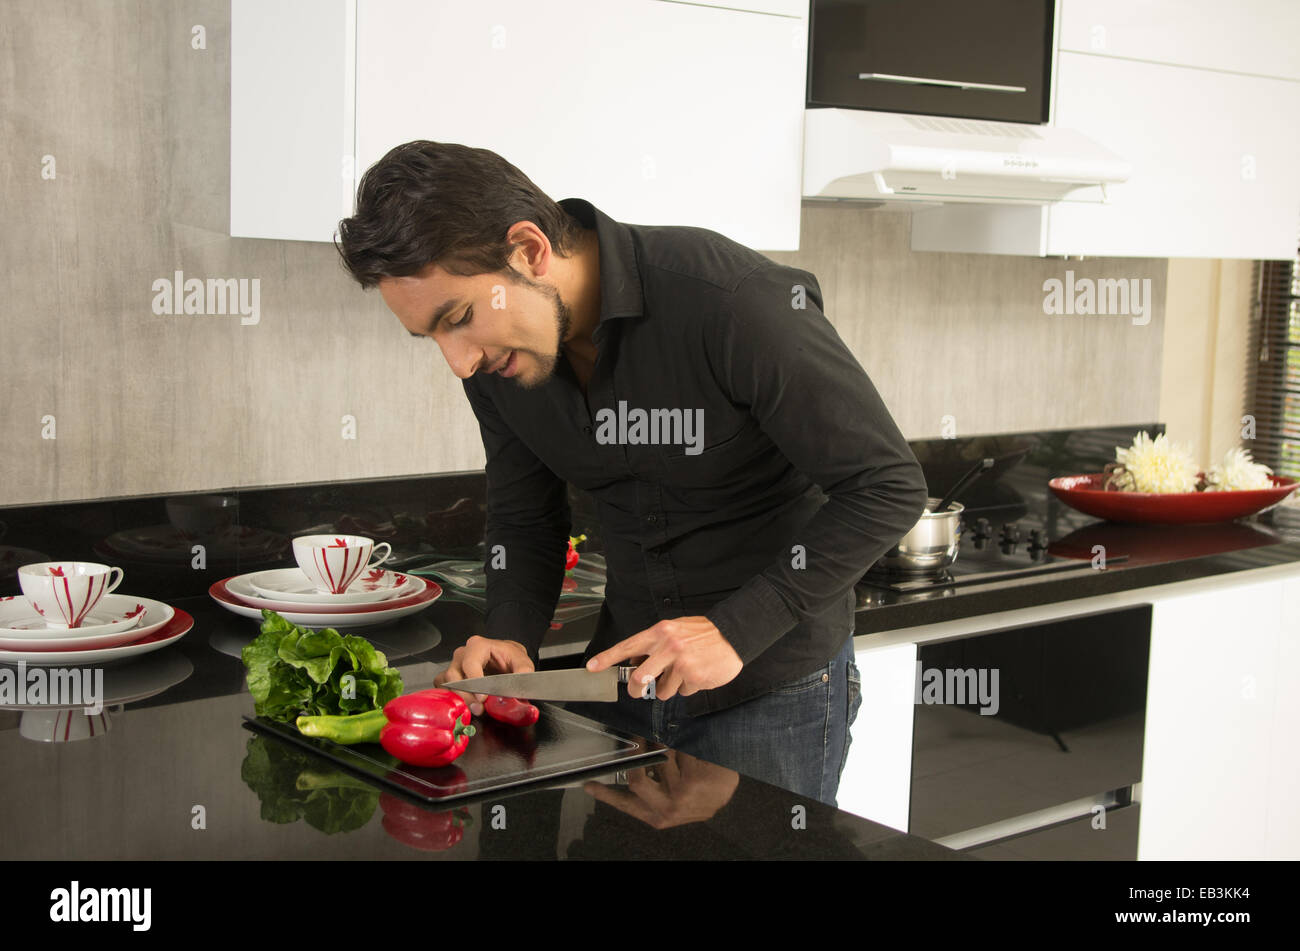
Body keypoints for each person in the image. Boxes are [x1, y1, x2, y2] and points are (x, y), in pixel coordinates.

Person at [336, 141, 928, 807]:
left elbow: (887, 483)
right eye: (433, 337)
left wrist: (736, 628)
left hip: (773, 695)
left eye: (459, 319)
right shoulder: (499, 363)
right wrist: (509, 629)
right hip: (623, 689)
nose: (458, 362)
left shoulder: (734, 303)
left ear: (529, 251)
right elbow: (526, 515)